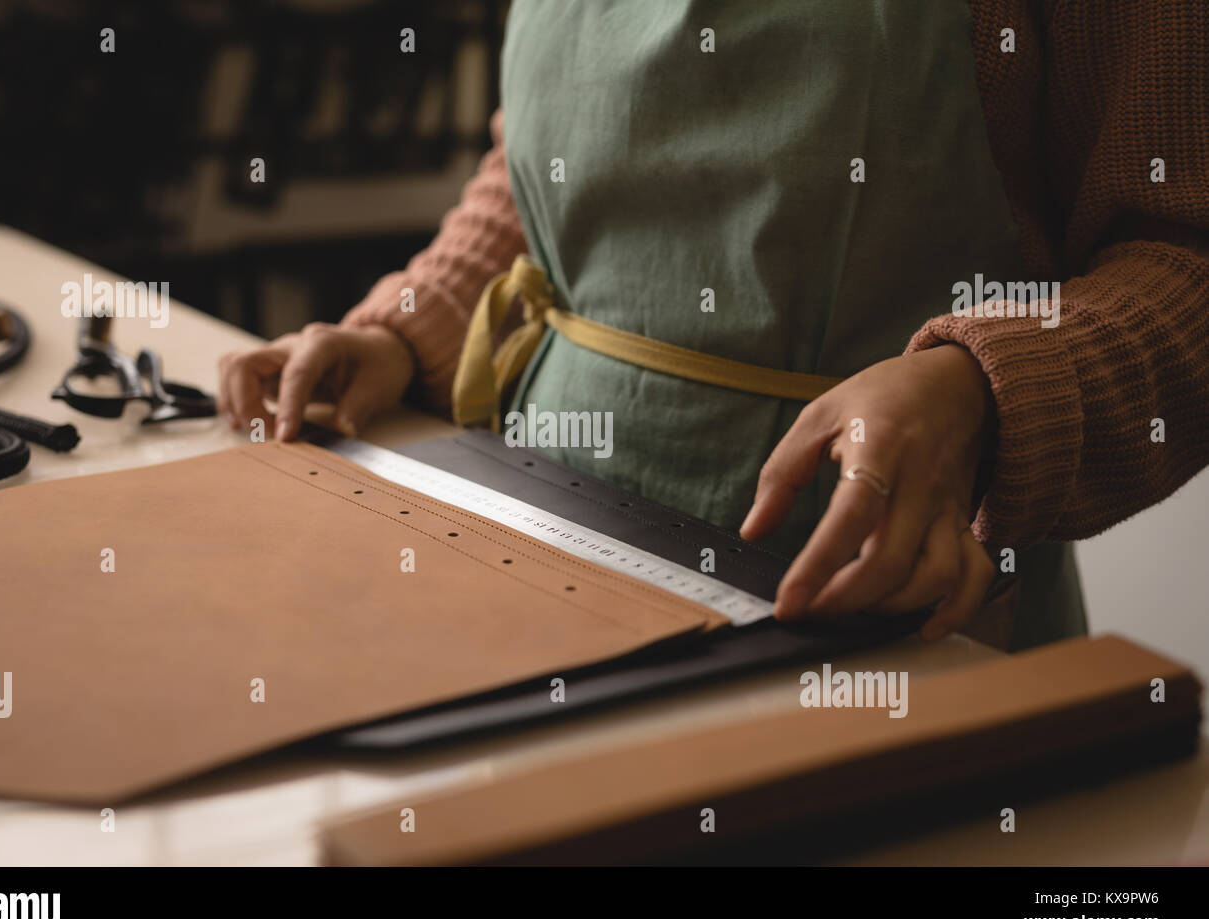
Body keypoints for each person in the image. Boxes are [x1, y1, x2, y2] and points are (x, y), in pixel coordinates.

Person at [217, 1, 1209, 651]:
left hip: (871, 612)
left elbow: (1186, 257)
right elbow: (559, 153)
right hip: (523, 542)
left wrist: (980, 394)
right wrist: (410, 320)